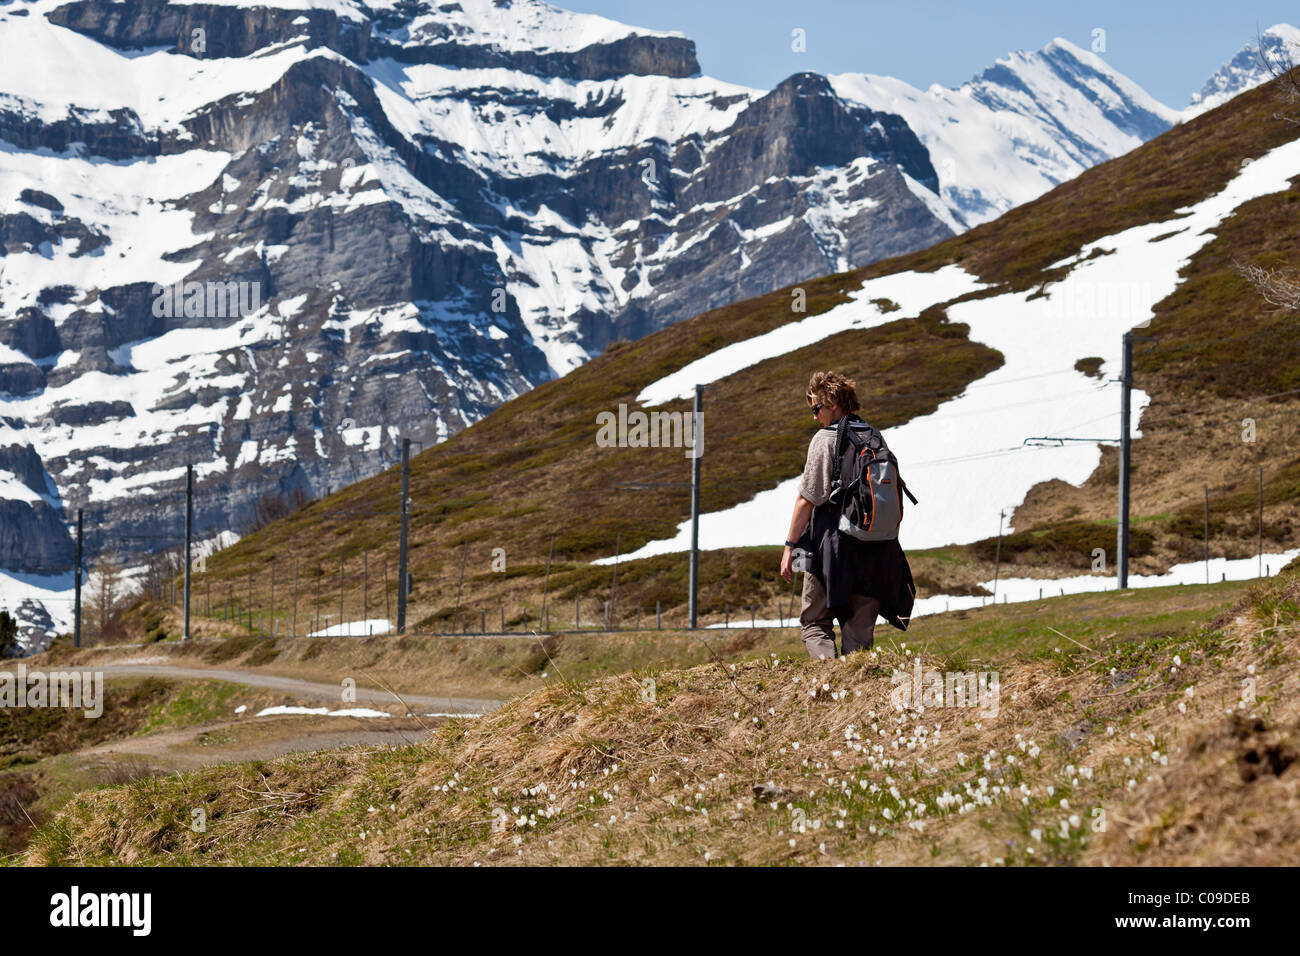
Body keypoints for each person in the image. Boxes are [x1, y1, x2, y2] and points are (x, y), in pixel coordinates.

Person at [779, 371, 915, 659]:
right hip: (876, 550)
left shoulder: (825, 439)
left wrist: (790, 546)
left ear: (832, 403)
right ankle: (855, 689)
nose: (815, 417)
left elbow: (807, 499)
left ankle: (828, 686)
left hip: (832, 550)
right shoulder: (874, 436)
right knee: (859, 629)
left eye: (817, 408)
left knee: (815, 622)